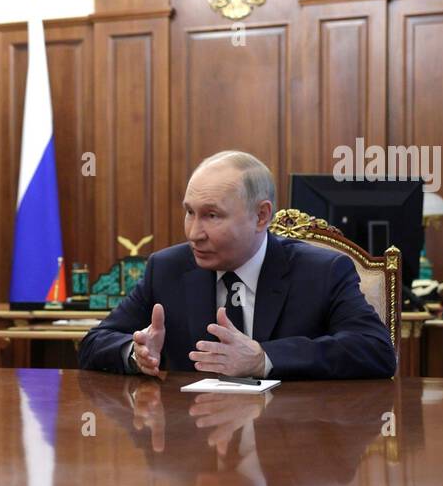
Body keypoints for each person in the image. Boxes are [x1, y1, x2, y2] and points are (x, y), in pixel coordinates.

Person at [78, 150, 396, 380]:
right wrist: (137, 353)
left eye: (212, 215)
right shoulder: (167, 268)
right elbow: (94, 342)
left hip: (291, 449)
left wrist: (265, 358)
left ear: (261, 216)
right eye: (190, 212)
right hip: (194, 450)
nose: (193, 233)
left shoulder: (323, 271)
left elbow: (376, 351)